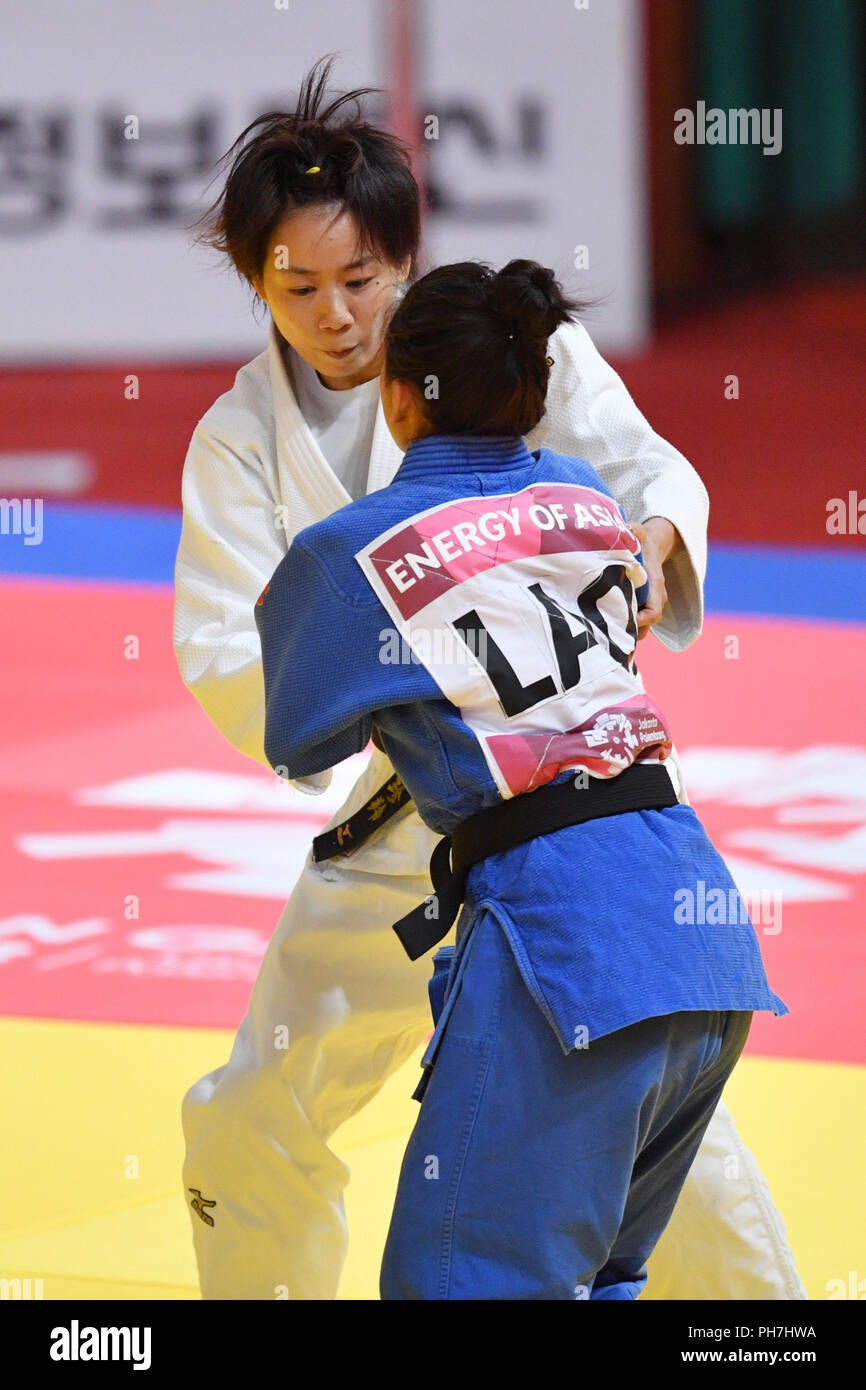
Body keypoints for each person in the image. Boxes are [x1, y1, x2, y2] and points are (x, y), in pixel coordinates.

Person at [174, 56, 806, 1300]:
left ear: (406, 261)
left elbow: (653, 481)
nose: (337, 314)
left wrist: (651, 545)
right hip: (392, 839)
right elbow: (226, 657)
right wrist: (405, 695)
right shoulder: (238, 444)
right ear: (255, 282)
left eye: (361, 279)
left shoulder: (511, 348)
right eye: (296, 286)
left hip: (560, 823)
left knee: (663, 1136)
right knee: (251, 1116)